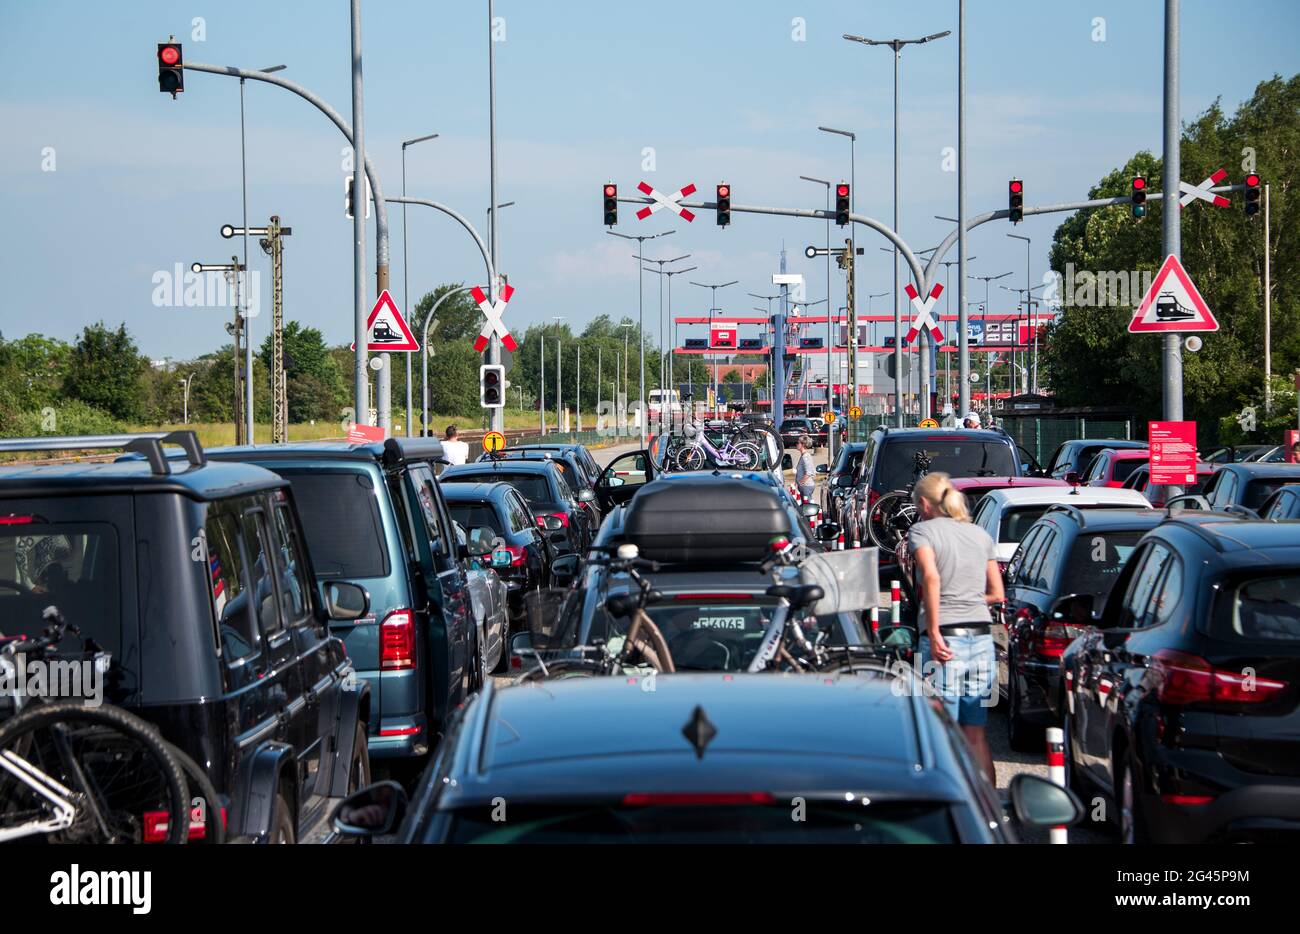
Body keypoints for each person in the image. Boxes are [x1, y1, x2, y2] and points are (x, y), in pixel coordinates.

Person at [907, 471, 1004, 783]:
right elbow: (997, 593)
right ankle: (988, 807)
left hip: (945, 640)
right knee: (975, 733)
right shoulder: (979, 534)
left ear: (924, 503)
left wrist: (934, 630)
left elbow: (931, 577)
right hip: (981, 639)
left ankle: (950, 807)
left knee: (941, 728)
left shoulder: (922, 532)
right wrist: (970, 599)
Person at [794, 434, 816, 503]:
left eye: (798, 443)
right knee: (804, 505)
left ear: (803, 445)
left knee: (807, 506)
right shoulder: (803, 456)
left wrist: (801, 482)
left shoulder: (806, 457)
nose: (796, 444)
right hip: (804, 487)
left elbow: (809, 472)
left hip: (806, 486)